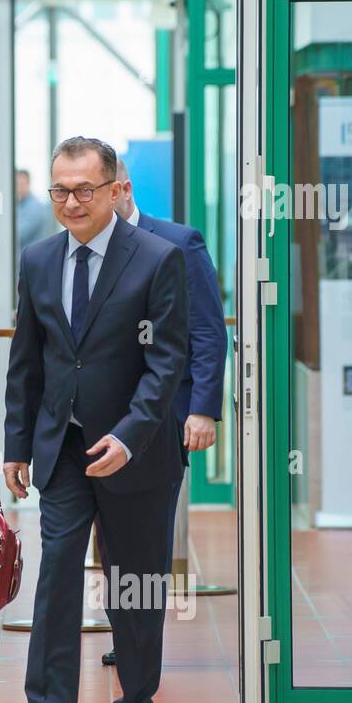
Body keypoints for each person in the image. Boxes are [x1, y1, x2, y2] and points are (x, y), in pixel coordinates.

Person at [2, 136, 187, 703]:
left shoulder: (159, 259)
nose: (72, 201)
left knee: (134, 581)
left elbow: (165, 365)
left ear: (114, 189)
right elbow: (26, 361)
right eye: (61, 189)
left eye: (85, 189)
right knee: (57, 573)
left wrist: (130, 437)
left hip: (137, 452)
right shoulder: (37, 259)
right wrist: (17, 445)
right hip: (63, 449)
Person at [98, 158, 228, 667]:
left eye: (98, 192)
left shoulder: (178, 241)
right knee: (108, 542)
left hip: (161, 419)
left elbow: (207, 330)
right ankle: (124, 637)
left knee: (147, 543)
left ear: (123, 190)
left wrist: (203, 411)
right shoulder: (83, 247)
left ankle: (140, 647)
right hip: (100, 419)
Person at [16, 167, 53, 249]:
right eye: (17, 184)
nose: (18, 187)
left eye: (21, 184)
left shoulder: (36, 207)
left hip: (33, 258)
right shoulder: (19, 205)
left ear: (28, 184)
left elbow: (19, 235)